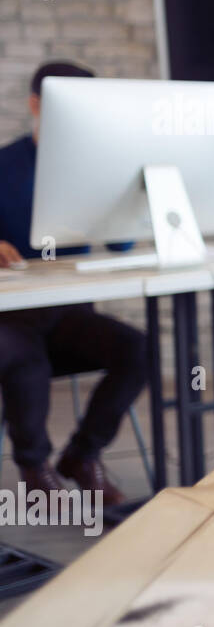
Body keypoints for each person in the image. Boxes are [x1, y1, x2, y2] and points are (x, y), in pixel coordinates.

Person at [0, 62, 146, 506]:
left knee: (139, 349)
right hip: (10, 317)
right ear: (36, 106)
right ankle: (33, 467)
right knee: (26, 361)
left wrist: (130, 188)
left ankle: (82, 455)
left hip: (70, 314)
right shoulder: (5, 164)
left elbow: (121, 243)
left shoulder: (93, 165)